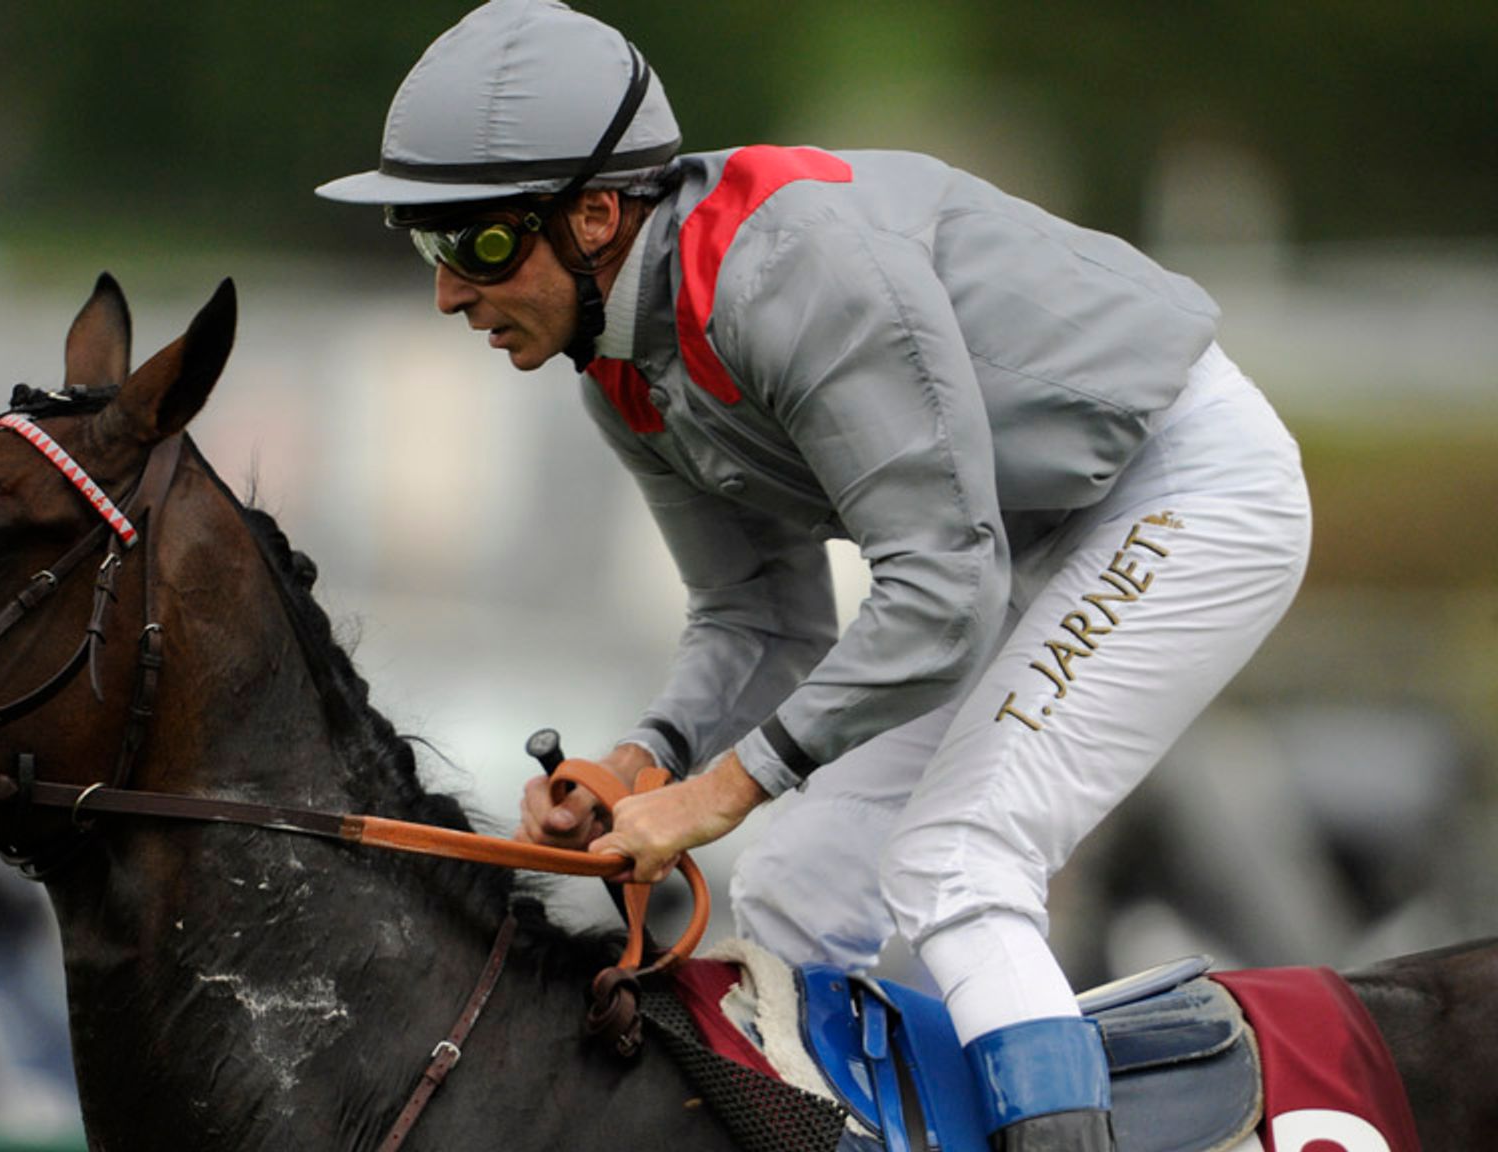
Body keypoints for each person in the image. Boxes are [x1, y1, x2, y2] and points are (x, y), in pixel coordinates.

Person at [317, 3, 1311, 1149]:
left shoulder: (787, 276)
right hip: (1010, 546)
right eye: (425, 246)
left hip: (1182, 494)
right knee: (792, 886)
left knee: (958, 858)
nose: (449, 293)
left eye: (478, 245)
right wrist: (644, 760)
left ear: (595, 217)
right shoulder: (618, 370)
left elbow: (938, 595)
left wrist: (714, 795)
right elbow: (760, 616)